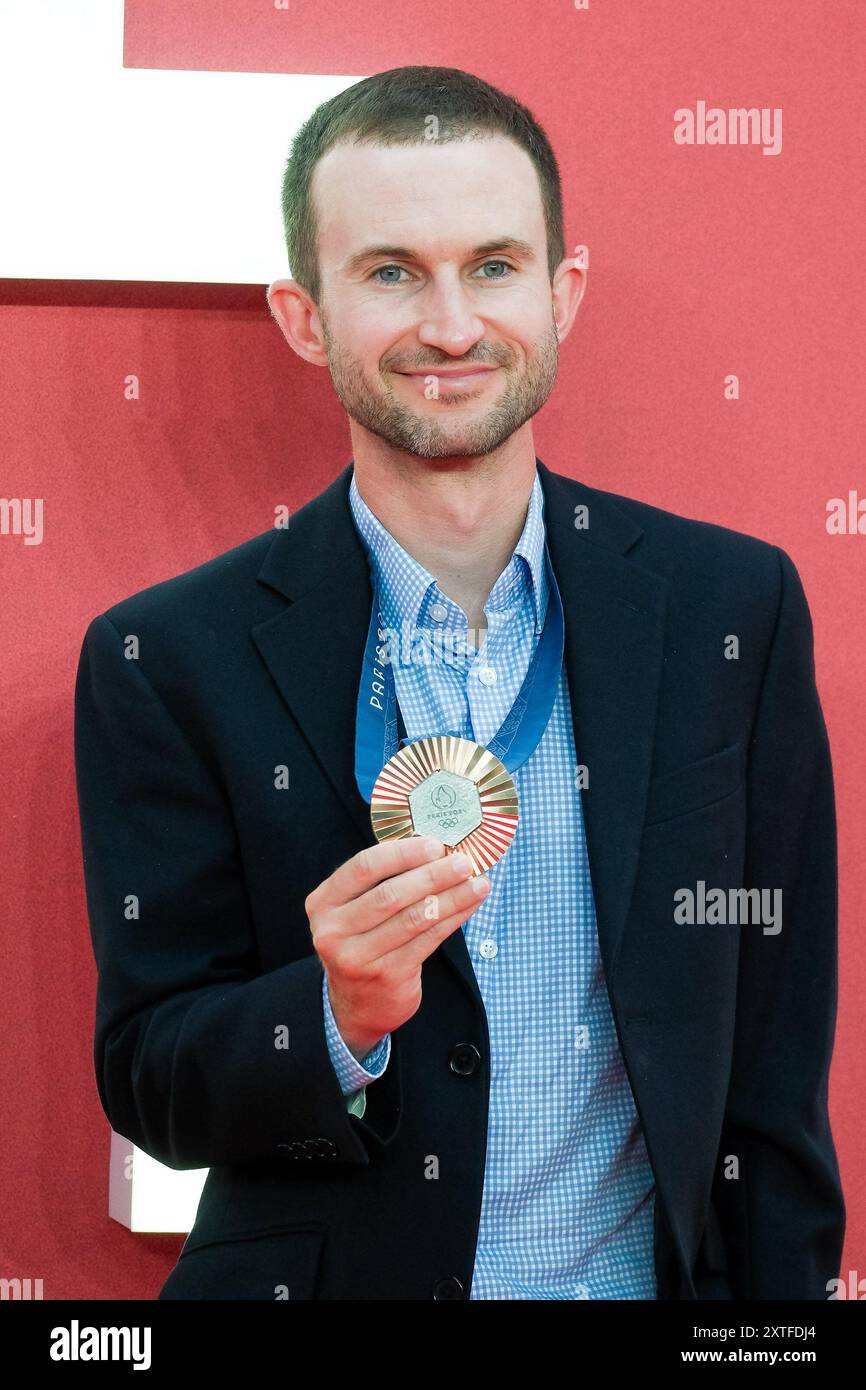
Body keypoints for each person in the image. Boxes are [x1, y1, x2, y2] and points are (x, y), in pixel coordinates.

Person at [74, 65, 845, 1300]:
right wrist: (334, 1013)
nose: (448, 325)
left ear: (560, 291)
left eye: (491, 265)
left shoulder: (728, 610)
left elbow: (770, 1058)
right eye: (390, 272)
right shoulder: (166, 656)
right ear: (303, 316)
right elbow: (152, 1076)